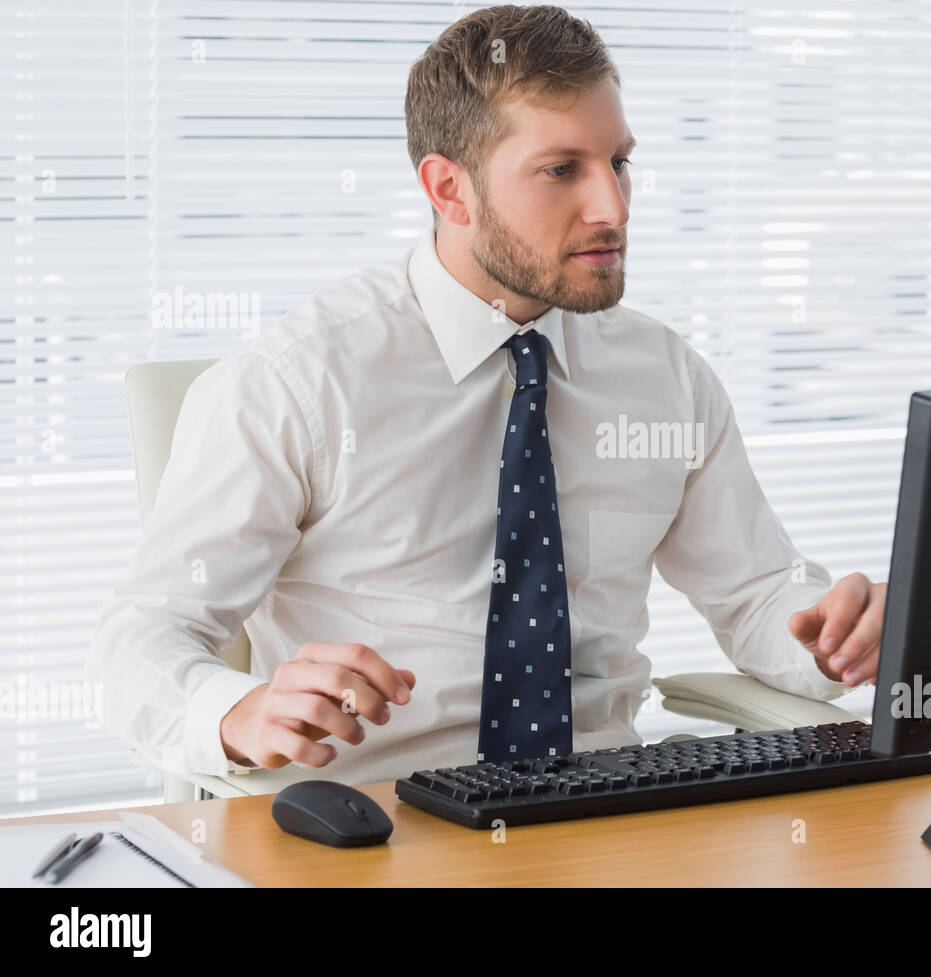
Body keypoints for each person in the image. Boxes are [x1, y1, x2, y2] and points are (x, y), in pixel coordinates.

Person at [85, 4, 884, 786]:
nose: (612, 207)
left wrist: (833, 637)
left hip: (608, 811)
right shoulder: (298, 382)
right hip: (375, 822)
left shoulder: (663, 377)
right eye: (561, 169)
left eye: (620, 162)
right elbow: (142, 638)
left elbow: (754, 595)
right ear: (449, 189)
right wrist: (238, 711)